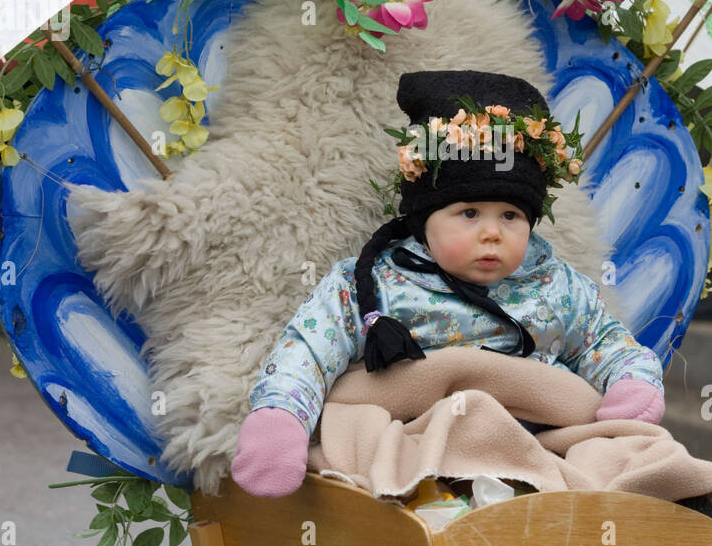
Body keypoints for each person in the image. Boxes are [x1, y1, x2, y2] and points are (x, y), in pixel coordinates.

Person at [230, 70, 667, 498]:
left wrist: (634, 381)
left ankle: (646, 497)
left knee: (624, 452)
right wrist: (281, 416)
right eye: (470, 214)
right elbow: (307, 351)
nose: (492, 232)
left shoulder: (556, 285)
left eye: (511, 216)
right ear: (425, 220)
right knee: (366, 434)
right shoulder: (374, 283)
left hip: (530, 442)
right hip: (418, 443)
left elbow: (604, 342)